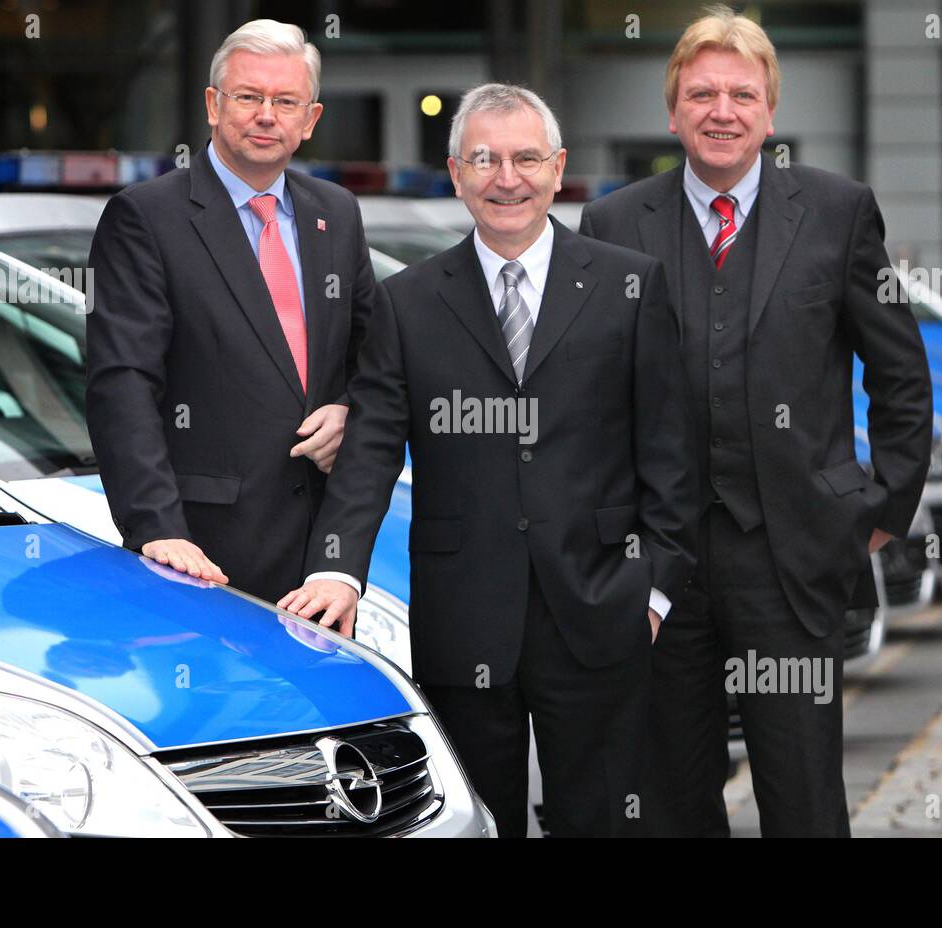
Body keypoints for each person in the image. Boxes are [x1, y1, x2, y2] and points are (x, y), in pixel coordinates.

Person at [278, 84, 698, 838]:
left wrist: (657, 592)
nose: (508, 177)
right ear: (457, 172)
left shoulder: (628, 286)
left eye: (526, 158)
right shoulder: (406, 301)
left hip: (603, 605)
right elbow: (371, 446)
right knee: (477, 823)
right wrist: (335, 568)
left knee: (602, 817)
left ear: (558, 166)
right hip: (465, 613)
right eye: (486, 159)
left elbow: (671, 454)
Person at [581, 4, 933, 837]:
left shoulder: (838, 212)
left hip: (790, 558)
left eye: (741, 94)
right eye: (701, 94)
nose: (722, 111)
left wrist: (877, 510)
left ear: (770, 112)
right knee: (670, 799)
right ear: (672, 112)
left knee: (804, 798)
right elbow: (589, 397)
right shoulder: (615, 224)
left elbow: (901, 375)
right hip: (660, 564)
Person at [86, 19, 379, 600]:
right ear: (214, 106)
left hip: (322, 549)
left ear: (310, 119)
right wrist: (157, 528)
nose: (266, 115)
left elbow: (374, 356)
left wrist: (348, 408)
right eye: (248, 97)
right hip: (199, 553)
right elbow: (122, 382)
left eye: (286, 101)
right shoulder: (146, 217)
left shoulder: (337, 212)